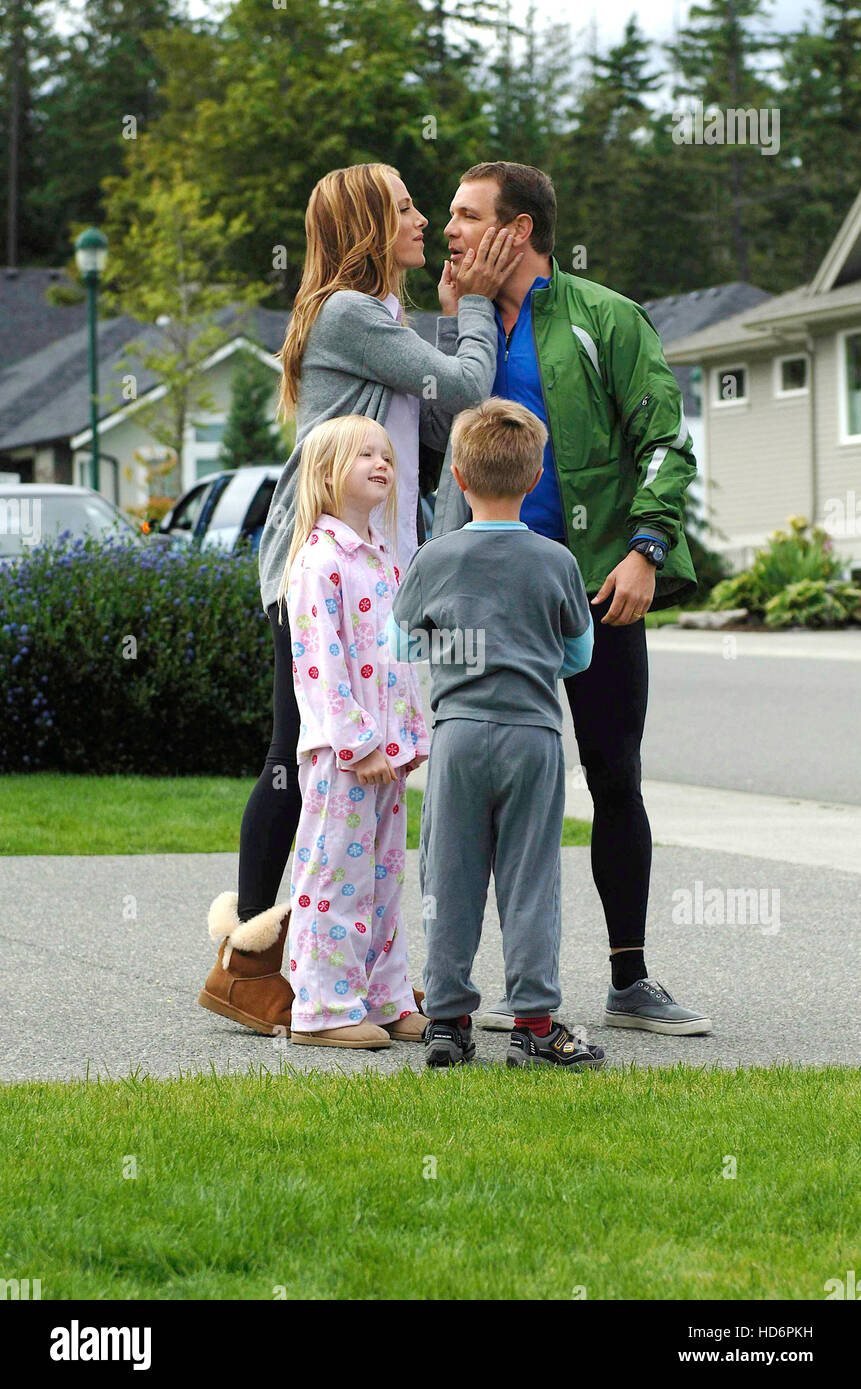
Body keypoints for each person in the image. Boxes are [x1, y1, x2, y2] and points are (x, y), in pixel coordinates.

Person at [199, 163, 521, 1037]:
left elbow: (431, 436)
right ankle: (251, 967)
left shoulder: (381, 319)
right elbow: (464, 392)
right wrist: (474, 309)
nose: (425, 221)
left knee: (359, 778)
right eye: (408, 207)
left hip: (384, 573)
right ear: (372, 226)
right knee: (295, 757)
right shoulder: (348, 315)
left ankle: (354, 973)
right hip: (322, 564)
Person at [433, 162, 712, 1036]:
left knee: (613, 776)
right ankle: (457, 997)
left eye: (466, 216)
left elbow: (665, 441)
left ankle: (628, 982)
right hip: (481, 605)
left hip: (594, 590)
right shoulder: (458, 332)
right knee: (468, 786)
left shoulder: (605, 317)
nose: (448, 230)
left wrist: (644, 550)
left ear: (516, 231)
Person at [389, 398, 605, 1069]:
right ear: (535, 477)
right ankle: (535, 1025)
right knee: (529, 881)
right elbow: (578, 656)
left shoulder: (432, 558)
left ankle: (448, 1023)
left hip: (456, 738)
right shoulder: (556, 562)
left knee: (446, 879)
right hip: (532, 739)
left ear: (457, 475)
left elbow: (400, 643)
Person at [282, 414, 428, 1049]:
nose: (382, 463)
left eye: (386, 455)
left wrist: (409, 733)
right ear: (325, 473)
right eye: (364, 454)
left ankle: (384, 997)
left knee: (383, 877)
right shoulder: (320, 561)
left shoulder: (385, 557)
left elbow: (398, 656)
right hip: (344, 758)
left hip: (386, 756)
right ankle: (321, 1007)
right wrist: (358, 742)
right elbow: (322, 663)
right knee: (334, 876)